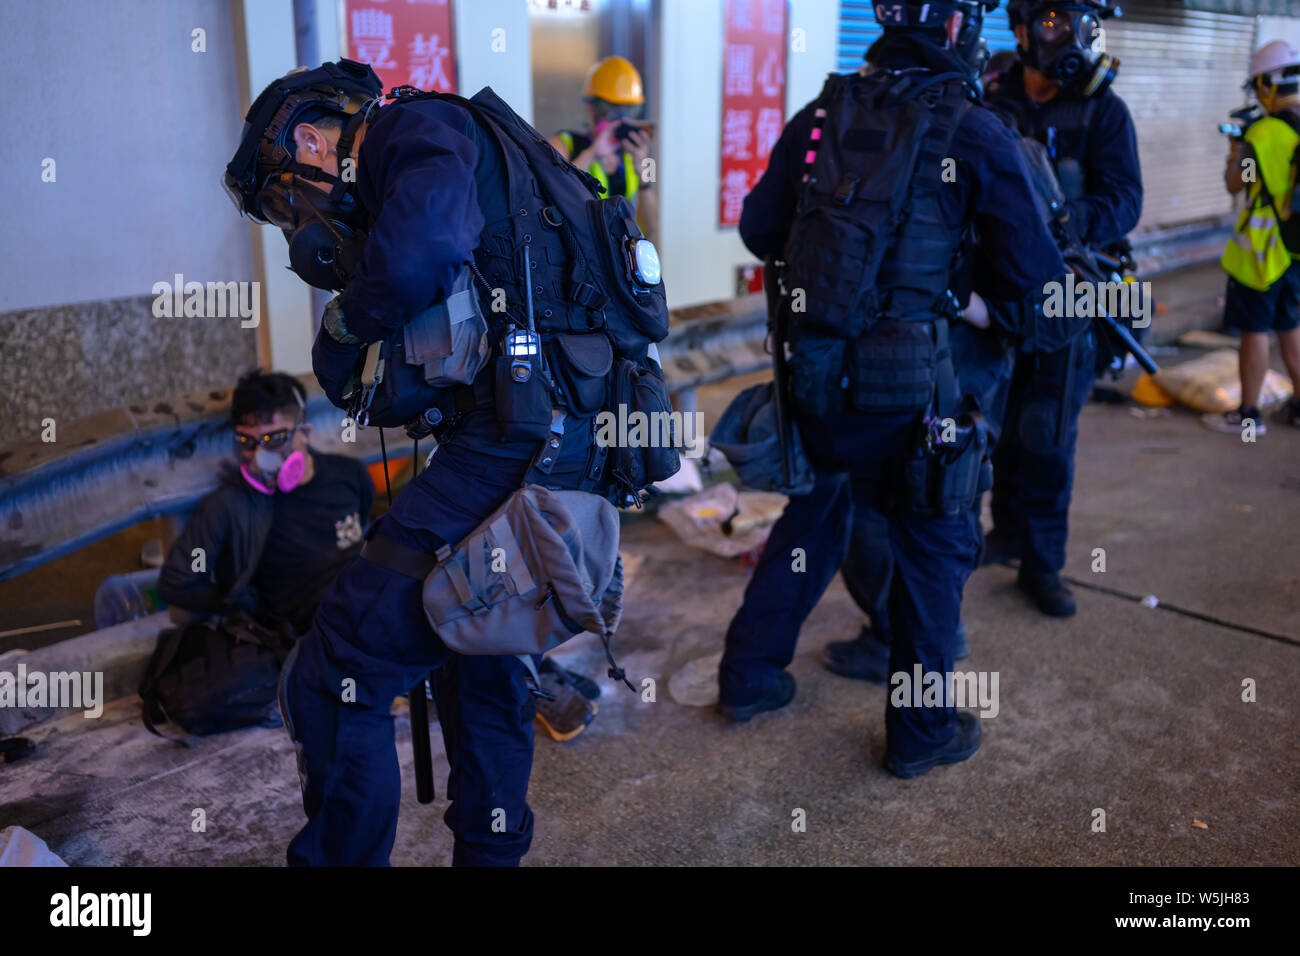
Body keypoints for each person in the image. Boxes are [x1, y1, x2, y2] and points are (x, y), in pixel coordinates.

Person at [222, 60, 669, 865]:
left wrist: (347, 329)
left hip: (516, 447)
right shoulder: (490, 145)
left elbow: (427, 240)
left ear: (313, 140)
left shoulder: (407, 127)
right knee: (486, 646)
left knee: (338, 668)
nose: (301, 224)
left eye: (288, 197)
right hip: (563, 443)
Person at [717, 0, 1070, 777]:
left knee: (814, 513)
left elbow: (758, 230)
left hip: (817, 386)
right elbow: (1042, 286)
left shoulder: (822, 112)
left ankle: (746, 679)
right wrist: (966, 297)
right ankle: (921, 734)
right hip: (915, 401)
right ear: (955, 30)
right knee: (933, 547)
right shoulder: (974, 130)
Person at [977, 0, 1142, 618]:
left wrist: (1066, 219)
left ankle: (1043, 563)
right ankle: (1007, 535)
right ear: (1020, 29)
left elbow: (1126, 201)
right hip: (996, 297)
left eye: (1075, 21)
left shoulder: (1105, 110)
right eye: (1050, 20)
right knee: (994, 425)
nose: (1065, 34)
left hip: (1070, 298)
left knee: (1046, 434)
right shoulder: (991, 98)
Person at [158, 370, 372, 637]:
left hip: (368, 609)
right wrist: (240, 602)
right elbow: (177, 582)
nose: (260, 456)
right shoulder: (229, 506)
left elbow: (365, 528)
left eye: (274, 439)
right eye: (248, 442)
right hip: (315, 639)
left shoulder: (350, 475)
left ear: (303, 432)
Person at [1203, 39, 1300, 435]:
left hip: (1262, 252)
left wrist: (1235, 151)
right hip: (1296, 251)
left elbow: (1236, 184)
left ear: (1266, 85)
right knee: (1290, 326)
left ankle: (1248, 416)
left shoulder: (1261, 134)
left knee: (1254, 331)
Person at [548, 56, 657, 241]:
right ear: (591, 107)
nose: (620, 118)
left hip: (619, 260)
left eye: (629, 110)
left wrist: (644, 170)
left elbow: (653, 225)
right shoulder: (564, 144)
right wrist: (592, 153)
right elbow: (550, 193)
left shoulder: (643, 158)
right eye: (611, 109)